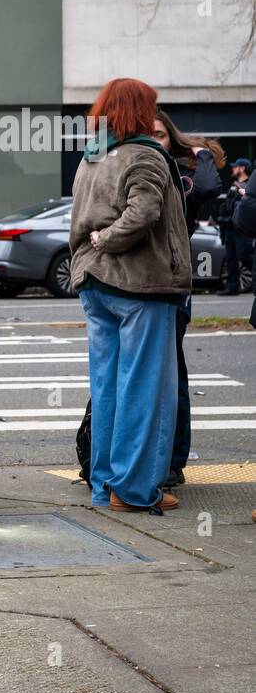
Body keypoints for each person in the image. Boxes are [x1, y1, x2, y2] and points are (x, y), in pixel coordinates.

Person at [70, 78, 191, 514]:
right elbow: (144, 212)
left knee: (108, 388)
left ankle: (104, 485)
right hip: (141, 284)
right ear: (140, 110)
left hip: (95, 285)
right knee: (145, 389)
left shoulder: (91, 157)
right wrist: (110, 240)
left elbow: (80, 218)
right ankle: (135, 489)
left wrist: (97, 244)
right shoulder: (145, 155)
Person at [151, 111, 225, 487]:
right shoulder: (140, 167)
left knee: (171, 375)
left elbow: (210, 188)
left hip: (173, 286)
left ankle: (174, 460)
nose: (154, 141)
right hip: (140, 284)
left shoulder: (183, 177)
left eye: (161, 135)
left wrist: (202, 154)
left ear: (172, 140)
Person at [217, 158, 253, 296]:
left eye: (235, 166)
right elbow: (227, 206)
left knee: (244, 255)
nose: (233, 169)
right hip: (229, 227)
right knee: (230, 258)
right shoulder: (234, 185)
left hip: (241, 229)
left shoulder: (249, 185)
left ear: (243, 168)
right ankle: (232, 287)